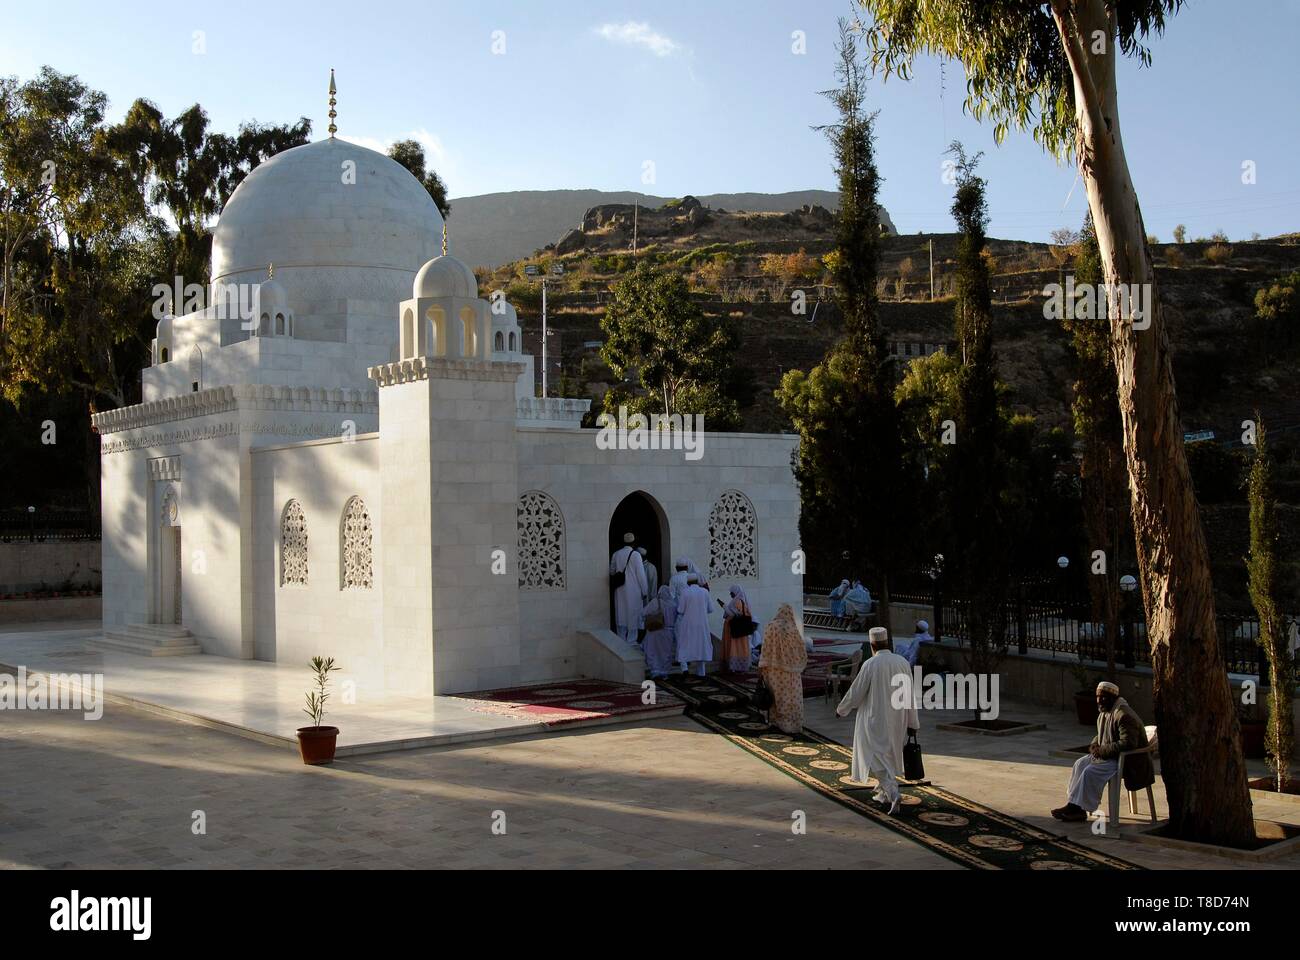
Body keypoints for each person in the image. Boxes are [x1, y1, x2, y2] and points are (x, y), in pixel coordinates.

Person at [835, 627, 919, 815]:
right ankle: (883, 792)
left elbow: (856, 692)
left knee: (873, 756)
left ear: (872, 645)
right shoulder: (903, 663)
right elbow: (909, 695)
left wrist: (842, 709)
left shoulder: (871, 664)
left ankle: (892, 791)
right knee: (888, 755)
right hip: (898, 718)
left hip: (875, 719)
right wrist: (913, 723)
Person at [1052, 681, 1154, 823]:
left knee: (1090, 772)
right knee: (1080, 764)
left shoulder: (1123, 715)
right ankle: (1074, 805)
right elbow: (1101, 735)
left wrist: (1102, 750)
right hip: (1112, 757)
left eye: (1103, 697)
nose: (1099, 700)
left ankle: (1077, 808)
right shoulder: (1105, 712)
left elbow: (1128, 743)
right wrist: (1094, 746)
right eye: (1098, 697)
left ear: (1113, 698)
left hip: (1127, 761)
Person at [758, 603, 809, 734]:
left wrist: (762, 665)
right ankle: (792, 725)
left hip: (774, 669)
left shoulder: (771, 626)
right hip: (792, 671)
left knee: (777, 695)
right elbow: (800, 649)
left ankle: (776, 721)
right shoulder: (793, 628)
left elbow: (766, 647)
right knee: (792, 696)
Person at [609, 533, 647, 645]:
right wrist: (644, 591)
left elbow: (612, 571)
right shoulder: (636, 555)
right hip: (634, 591)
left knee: (621, 614)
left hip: (620, 590)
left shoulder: (616, 554)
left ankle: (621, 639)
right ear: (633, 543)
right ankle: (632, 641)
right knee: (633, 615)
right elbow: (641, 575)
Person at [675, 574, 713, 676]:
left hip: (688, 624)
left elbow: (681, 610)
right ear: (697, 581)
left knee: (684, 645)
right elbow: (711, 609)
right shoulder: (705, 592)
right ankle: (701, 672)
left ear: (688, 582)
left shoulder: (685, 592)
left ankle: (684, 669)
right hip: (702, 624)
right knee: (701, 646)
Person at [642, 585, 677, 679]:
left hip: (655, 630)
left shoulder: (655, 602)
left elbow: (644, 612)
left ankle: (655, 670)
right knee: (666, 653)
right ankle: (664, 672)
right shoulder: (673, 604)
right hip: (669, 632)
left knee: (653, 651)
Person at [720, 585, 756, 673]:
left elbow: (735, 615)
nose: (730, 594)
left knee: (735, 646)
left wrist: (724, 607)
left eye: (731, 592)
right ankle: (738, 667)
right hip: (740, 629)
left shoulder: (737, 602)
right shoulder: (739, 601)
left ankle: (735, 667)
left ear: (736, 592)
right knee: (740, 646)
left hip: (736, 628)